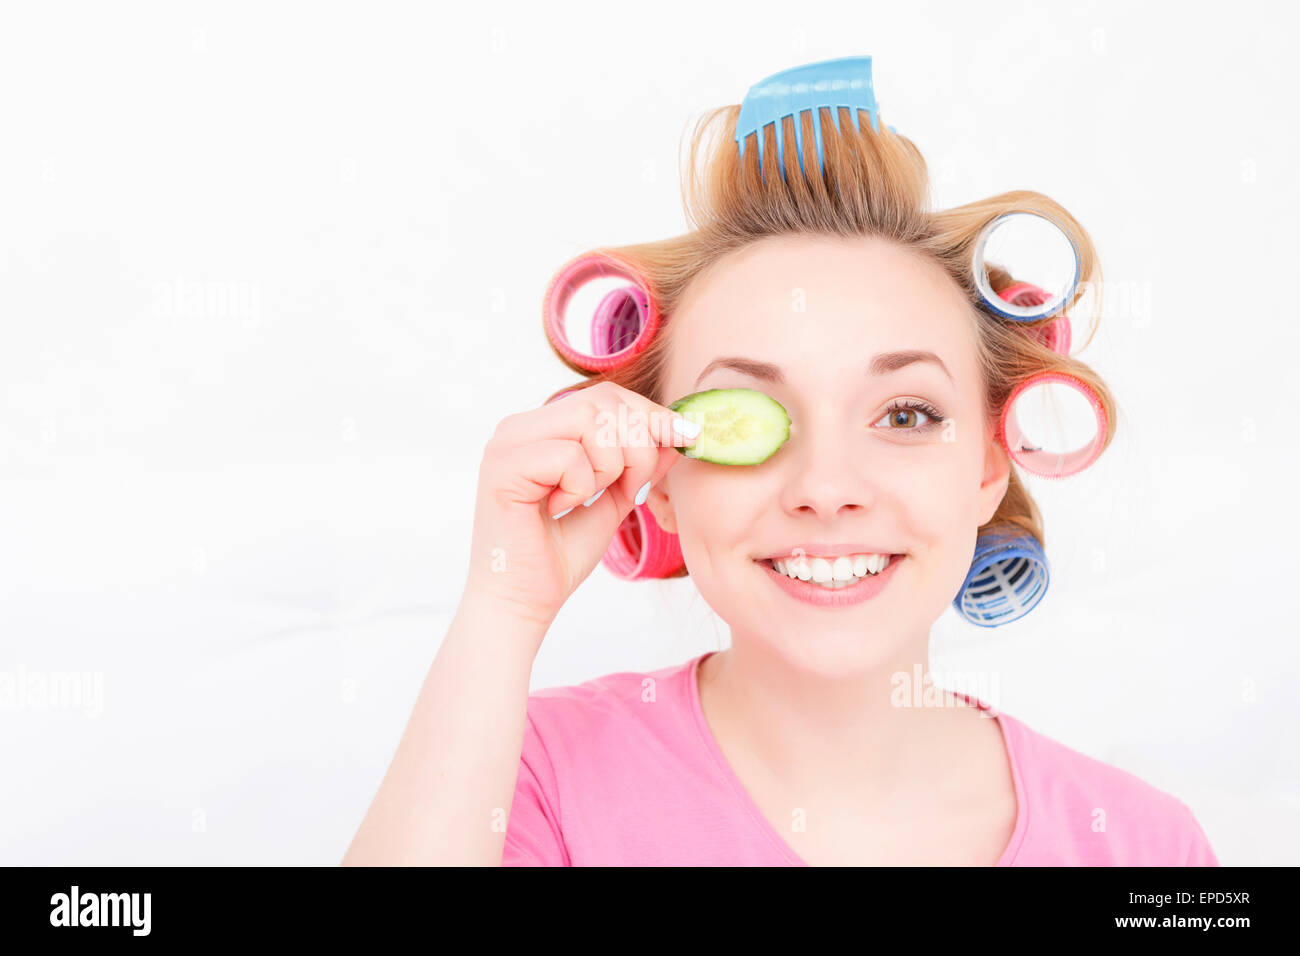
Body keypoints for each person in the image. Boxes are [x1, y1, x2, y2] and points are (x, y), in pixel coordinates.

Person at [342, 62, 1220, 867]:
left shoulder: (1147, 848)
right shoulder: (524, 779)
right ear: (664, 476)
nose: (826, 489)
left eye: (906, 414)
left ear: (991, 463)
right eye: (749, 421)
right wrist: (504, 605)